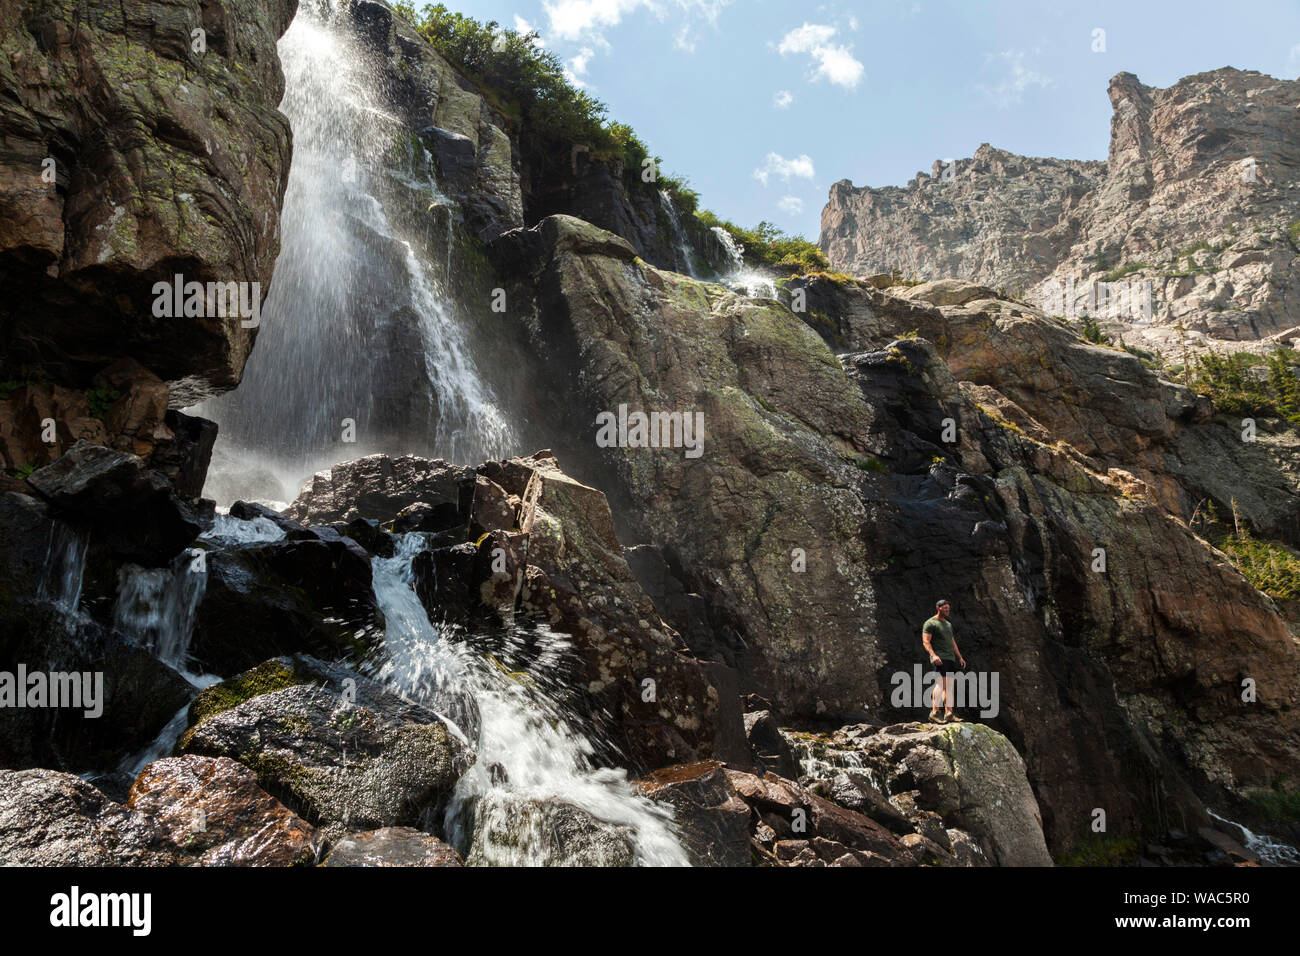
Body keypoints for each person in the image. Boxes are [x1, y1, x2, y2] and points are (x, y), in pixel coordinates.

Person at [922, 598, 966, 723]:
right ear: (938, 608)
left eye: (948, 609)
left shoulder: (948, 624)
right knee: (941, 684)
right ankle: (935, 712)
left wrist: (959, 657)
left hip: (950, 658)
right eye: (945, 608)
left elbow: (952, 642)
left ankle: (949, 713)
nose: (947, 610)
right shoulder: (930, 623)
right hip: (939, 658)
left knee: (949, 686)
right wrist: (933, 655)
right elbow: (926, 641)